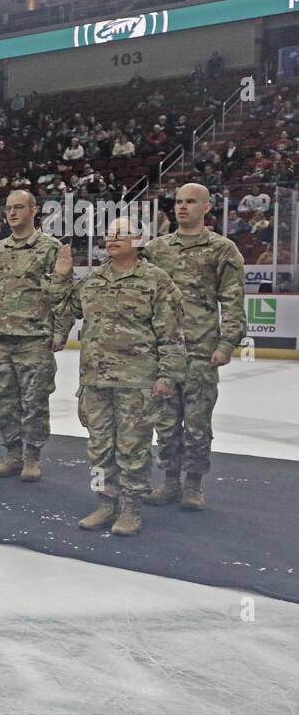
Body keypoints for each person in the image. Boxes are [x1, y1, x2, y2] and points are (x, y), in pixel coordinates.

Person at [51, 219, 185, 535]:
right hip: (96, 380)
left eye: (120, 234)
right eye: (108, 234)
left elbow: (171, 334)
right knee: (99, 448)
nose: (112, 239)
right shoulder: (94, 279)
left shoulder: (156, 280)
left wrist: (167, 376)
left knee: (132, 448)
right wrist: (61, 277)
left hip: (137, 382)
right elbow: (63, 307)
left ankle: (130, 509)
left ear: (138, 240)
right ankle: (105, 503)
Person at [141, 182, 246, 509]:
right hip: (163, 354)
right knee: (167, 424)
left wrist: (228, 342)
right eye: (178, 201)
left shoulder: (222, 249)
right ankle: (170, 482)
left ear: (206, 206)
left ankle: (194, 486)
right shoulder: (157, 249)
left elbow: (232, 300)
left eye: (190, 201)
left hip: (202, 351)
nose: (182, 207)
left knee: (198, 424)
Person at [0, 192, 64, 482]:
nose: (12, 213)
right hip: (0, 338)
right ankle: (13, 453)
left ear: (34, 211)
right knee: (3, 400)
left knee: (34, 402)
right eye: (8, 208)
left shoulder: (50, 248)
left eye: (19, 207)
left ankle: (32, 457)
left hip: (35, 338)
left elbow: (64, 292)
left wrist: (61, 330)